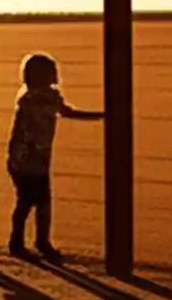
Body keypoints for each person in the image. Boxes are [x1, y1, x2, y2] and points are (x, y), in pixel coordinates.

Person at [6, 52, 104, 262]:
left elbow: (66, 112)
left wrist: (99, 116)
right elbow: (64, 112)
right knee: (27, 201)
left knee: (42, 202)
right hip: (24, 159)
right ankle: (17, 242)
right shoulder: (31, 98)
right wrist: (99, 116)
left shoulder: (48, 96)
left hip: (39, 159)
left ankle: (41, 240)